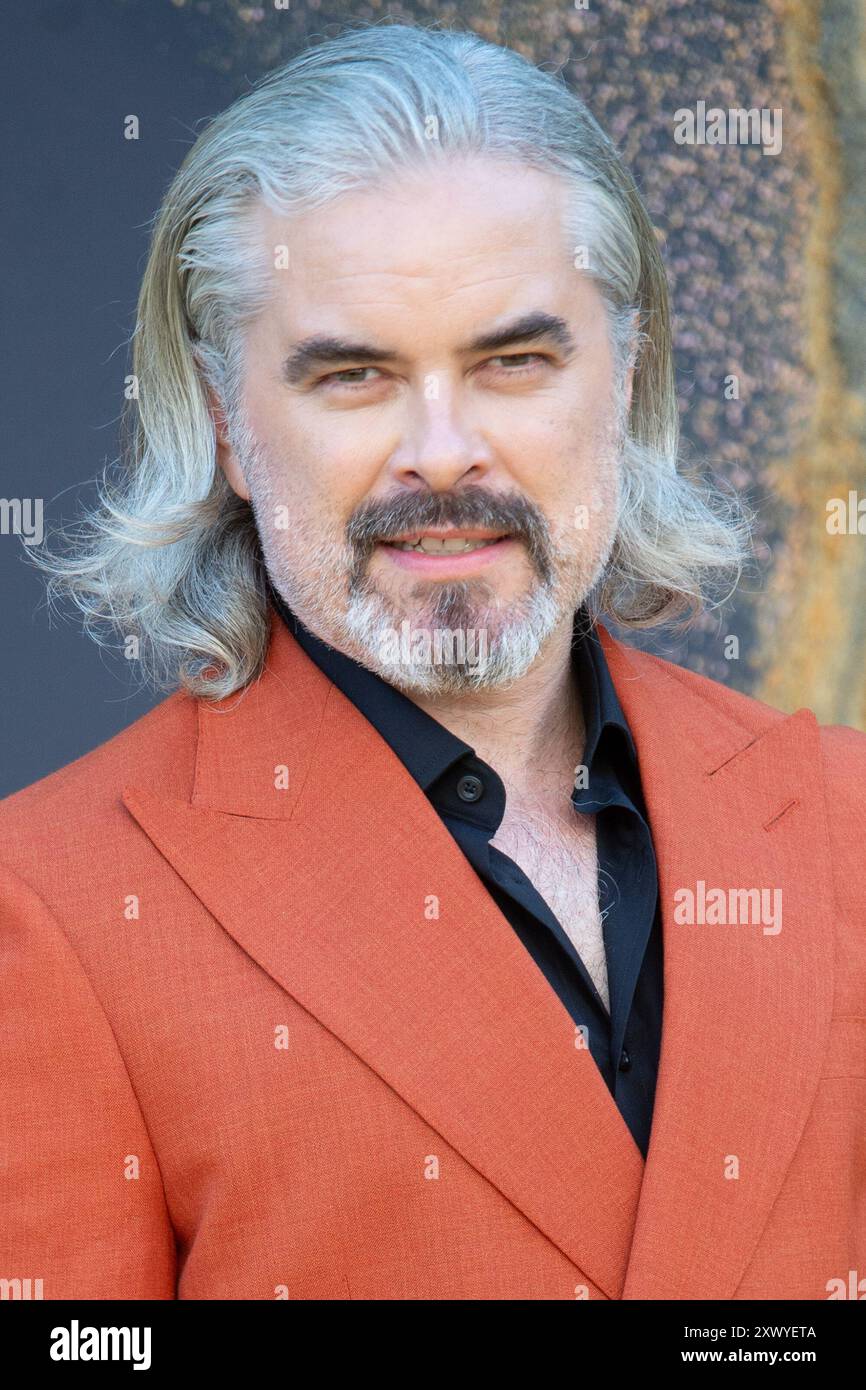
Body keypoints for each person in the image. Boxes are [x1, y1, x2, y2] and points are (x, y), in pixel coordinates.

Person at [2, 21, 863, 1301]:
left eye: (512, 361)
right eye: (354, 376)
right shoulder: (49, 909)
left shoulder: (843, 822)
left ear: (622, 379)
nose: (444, 451)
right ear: (229, 424)